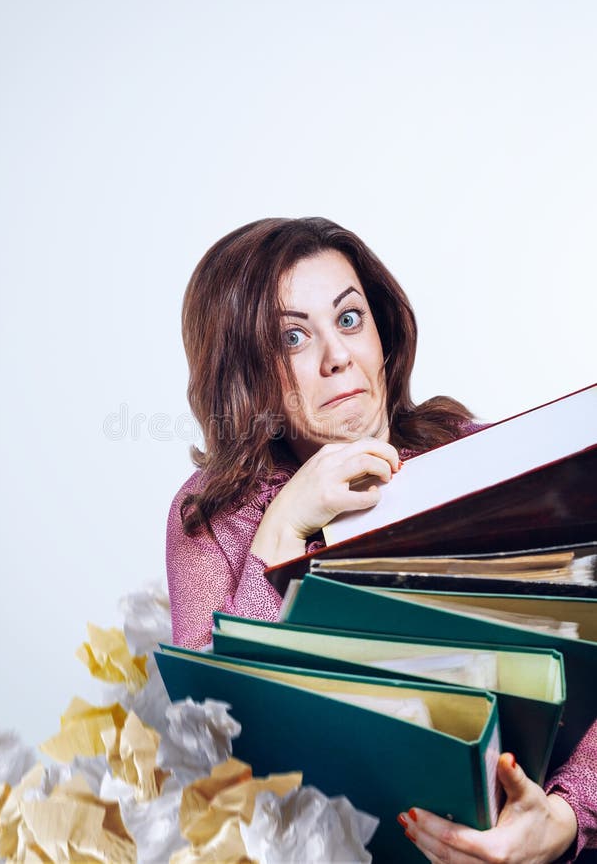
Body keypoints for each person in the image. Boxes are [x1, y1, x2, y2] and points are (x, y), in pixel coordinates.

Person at [165, 216, 596, 862]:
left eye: (348, 319)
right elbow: (209, 744)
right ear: (243, 370)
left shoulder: (471, 456)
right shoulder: (214, 516)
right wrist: (284, 525)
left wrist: (567, 814)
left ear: (382, 336)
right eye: (291, 337)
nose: (336, 356)